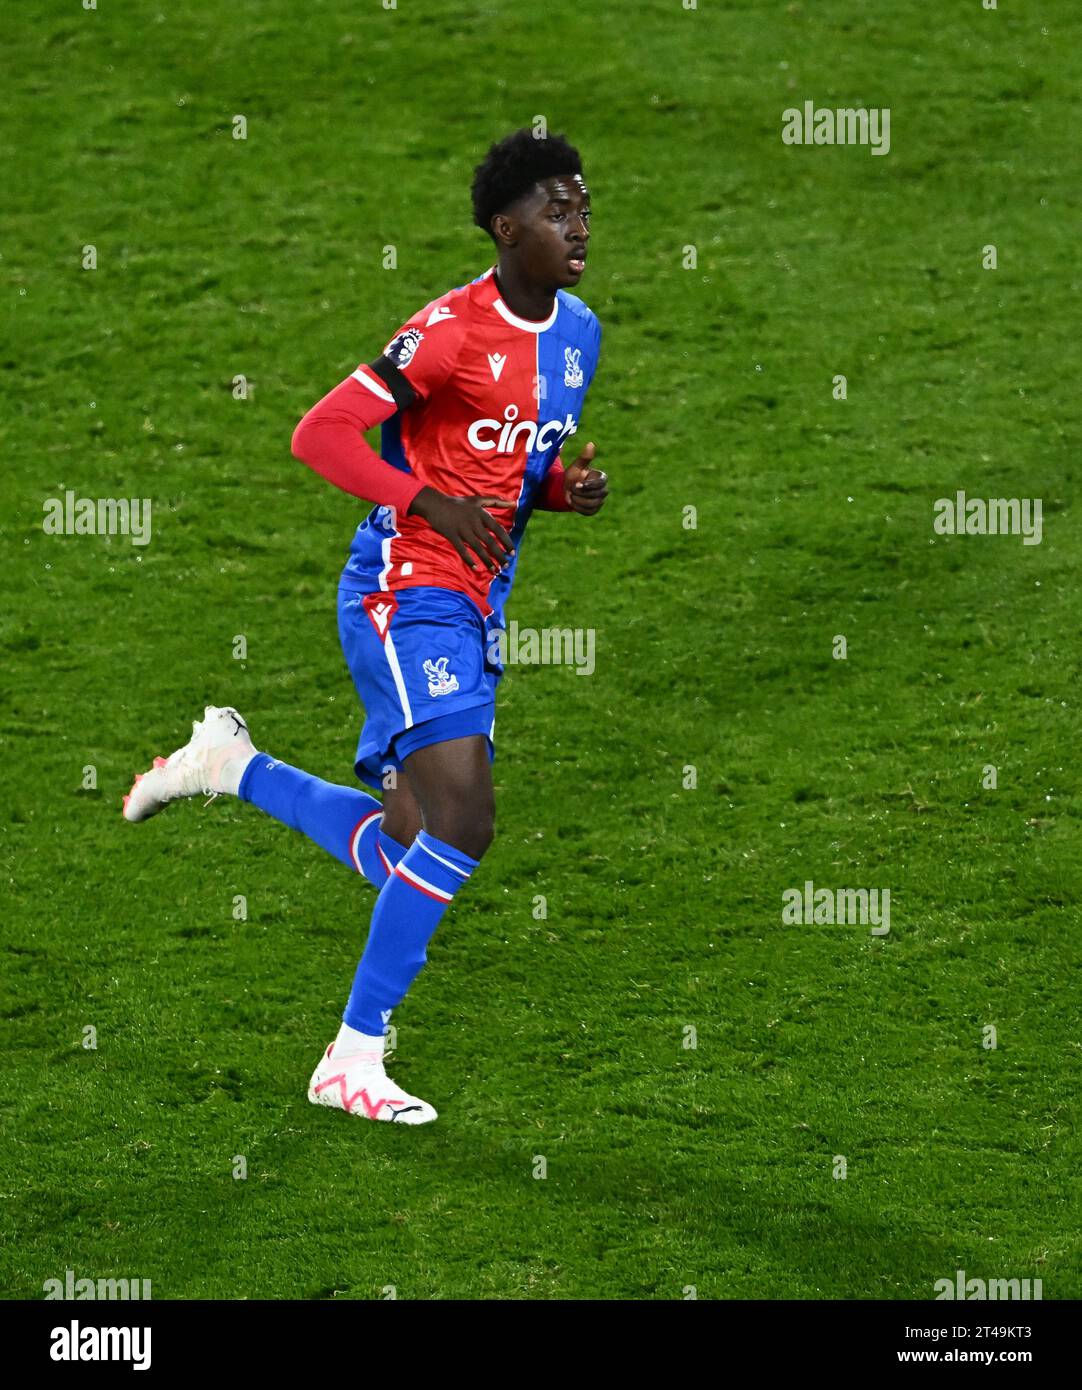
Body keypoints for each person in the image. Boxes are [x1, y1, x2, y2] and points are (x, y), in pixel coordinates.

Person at [123, 128, 609, 1125]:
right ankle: (351, 1057)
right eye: (557, 211)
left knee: (406, 851)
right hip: (402, 592)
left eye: (584, 207)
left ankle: (231, 765)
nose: (577, 225)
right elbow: (321, 433)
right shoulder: (446, 332)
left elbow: (509, 476)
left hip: (476, 601)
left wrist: (563, 489)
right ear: (504, 228)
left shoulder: (579, 335)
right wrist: (427, 504)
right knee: (465, 820)